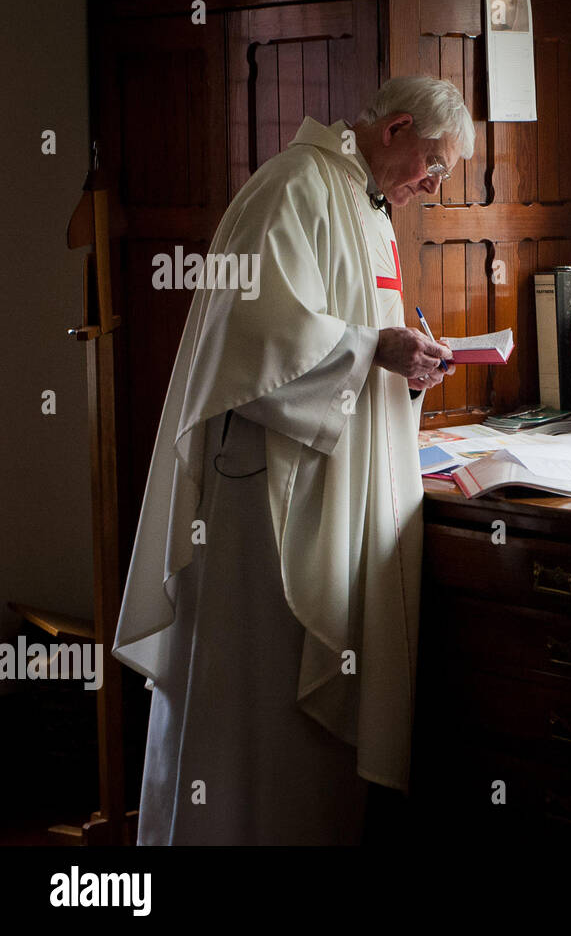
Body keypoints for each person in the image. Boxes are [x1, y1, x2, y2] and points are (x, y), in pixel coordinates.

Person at [113, 75, 475, 844]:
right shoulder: (293, 187)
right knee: (246, 706)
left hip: (326, 481)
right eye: (432, 168)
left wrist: (404, 363)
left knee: (298, 744)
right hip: (262, 495)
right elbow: (254, 336)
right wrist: (375, 348)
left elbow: (362, 335)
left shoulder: (365, 205)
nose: (429, 187)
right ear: (398, 129)